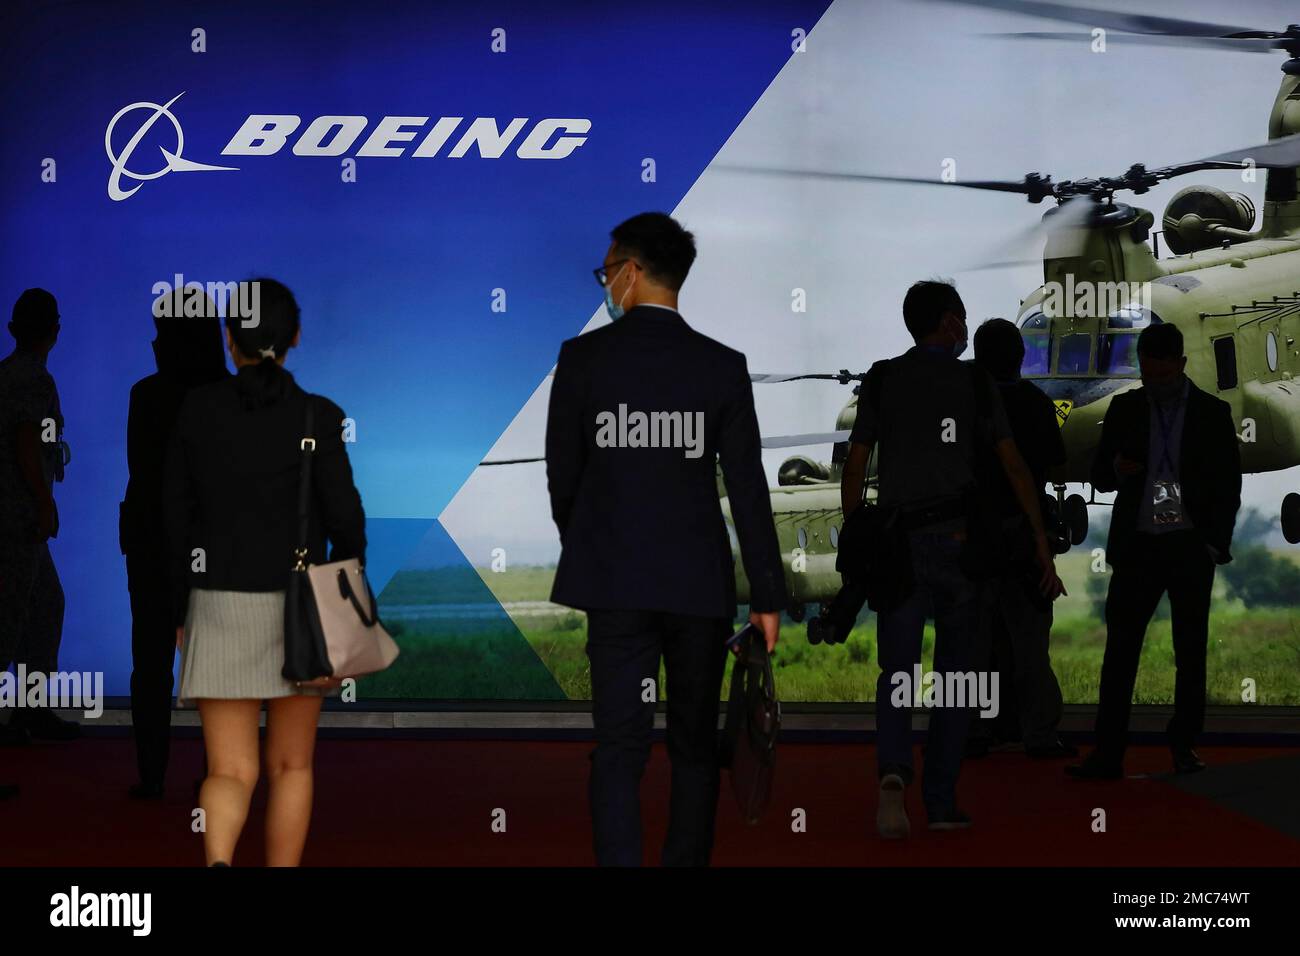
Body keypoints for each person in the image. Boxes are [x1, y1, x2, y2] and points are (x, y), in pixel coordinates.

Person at [546, 212, 787, 866]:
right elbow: (748, 489)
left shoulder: (583, 359)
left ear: (629, 270)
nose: (607, 283)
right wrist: (768, 596)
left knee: (619, 748)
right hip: (696, 585)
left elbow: (562, 479)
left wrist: (595, 543)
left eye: (606, 271)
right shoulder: (721, 368)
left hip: (615, 581)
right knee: (693, 748)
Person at [839, 280, 1064, 839]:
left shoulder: (883, 378)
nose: (965, 328)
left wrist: (859, 532)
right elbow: (1014, 468)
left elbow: (855, 463)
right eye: (960, 319)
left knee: (897, 674)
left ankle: (893, 775)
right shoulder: (975, 382)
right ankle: (939, 799)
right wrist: (1039, 540)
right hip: (962, 547)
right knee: (959, 678)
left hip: (898, 548)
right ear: (947, 323)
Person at [164, 278, 366, 865]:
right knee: (291, 764)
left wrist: (180, 608)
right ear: (295, 335)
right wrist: (342, 610)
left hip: (217, 603)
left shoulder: (197, 409)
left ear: (231, 340)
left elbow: (173, 518)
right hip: (301, 609)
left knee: (230, 769)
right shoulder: (319, 416)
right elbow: (347, 522)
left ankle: (220, 863)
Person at [1068, 323, 1241, 779]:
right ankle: (1108, 754)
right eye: (1147, 374)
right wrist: (1114, 467)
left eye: (1162, 374)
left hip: (1188, 546)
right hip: (1139, 547)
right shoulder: (1124, 409)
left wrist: (1212, 545)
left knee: (1190, 652)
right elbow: (1100, 476)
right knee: (1120, 654)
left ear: (1181, 365)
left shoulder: (1212, 413)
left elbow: (1228, 485)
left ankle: (1183, 745)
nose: (1155, 382)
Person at [122, 288, 229, 799]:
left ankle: (151, 776)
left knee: (149, 665)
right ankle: (218, 775)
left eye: (161, 332)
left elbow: (141, 476)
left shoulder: (146, 396)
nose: (153, 341)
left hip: (150, 549)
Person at [967, 318, 1074, 760]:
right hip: (1025, 540)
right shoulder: (1034, 403)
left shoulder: (964, 408)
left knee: (972, 644)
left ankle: (974, 732)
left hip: (972, 542)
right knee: (1031, 644)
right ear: (1021, 357)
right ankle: (1040, 733)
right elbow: (1054, 462)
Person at [0, 288, 76, 768]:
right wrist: (44, 501)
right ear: (54, 330)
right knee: (11, 614)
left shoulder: (12, 374)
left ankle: (30, 709)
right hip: (20, 516)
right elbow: (28, 439)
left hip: (18, 513)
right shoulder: (32, 379)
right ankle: (26, 710)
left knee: (42, 603)